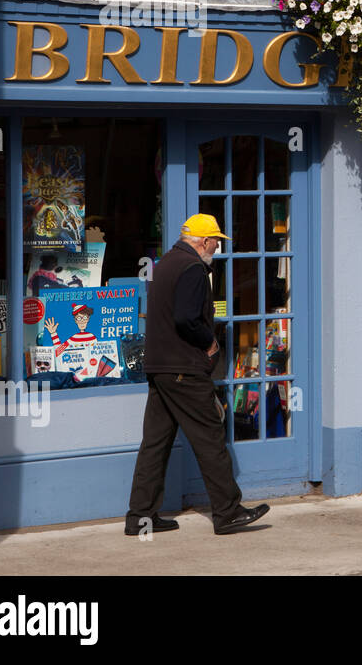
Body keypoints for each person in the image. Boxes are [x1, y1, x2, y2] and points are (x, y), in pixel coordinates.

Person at [124, 213, 270, 536]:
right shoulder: (193, 268)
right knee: (210, 438)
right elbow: (186, 318)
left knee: (156, 443)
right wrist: (210, 344)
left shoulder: (165, 264)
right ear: (203, 241)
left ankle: (140, 517)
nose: (217, 247)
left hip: (161, 369)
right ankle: (228, 512)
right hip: (183, 369)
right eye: (216, 241)